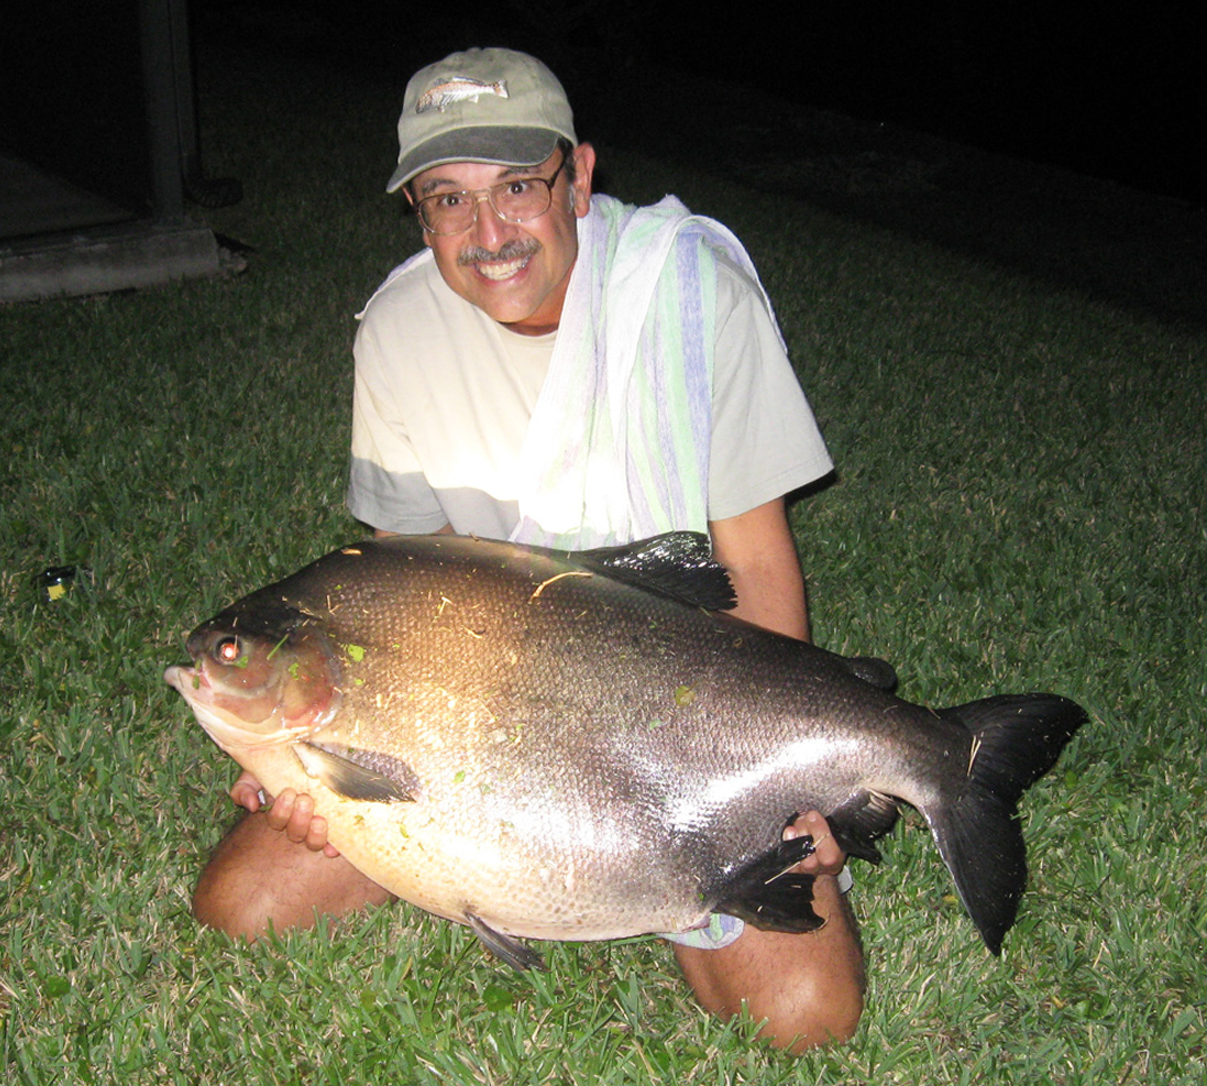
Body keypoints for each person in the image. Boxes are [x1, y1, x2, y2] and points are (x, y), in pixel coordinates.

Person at [192, 47, 863, 1054]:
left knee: (802, 1016)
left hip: (677, 727)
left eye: (518, 187)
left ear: (578, 177)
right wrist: (295, 763)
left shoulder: (687, 300)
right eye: (448, 201)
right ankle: (531, 871)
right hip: (478, 722)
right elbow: (393, 585)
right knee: (242, 903)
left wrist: (782, 782)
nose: (490, 234)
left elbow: (758, 565)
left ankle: (645, 863)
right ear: (417, 212)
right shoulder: (398, 330)